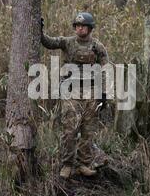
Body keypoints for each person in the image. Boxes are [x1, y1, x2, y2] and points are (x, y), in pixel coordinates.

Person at [41, 12, 108, 179]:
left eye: (83, 26)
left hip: (91, 92)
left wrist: (104, 93)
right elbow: (48, 42)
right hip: (70, 90)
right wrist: (39, 30)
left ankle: (84, 164)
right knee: (70, 129)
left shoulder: (97, 46)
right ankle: (67, 164)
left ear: (90, 28)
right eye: (77, 25)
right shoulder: (67, 42)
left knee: (88, 130)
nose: (79, 28)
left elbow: (106, 69)